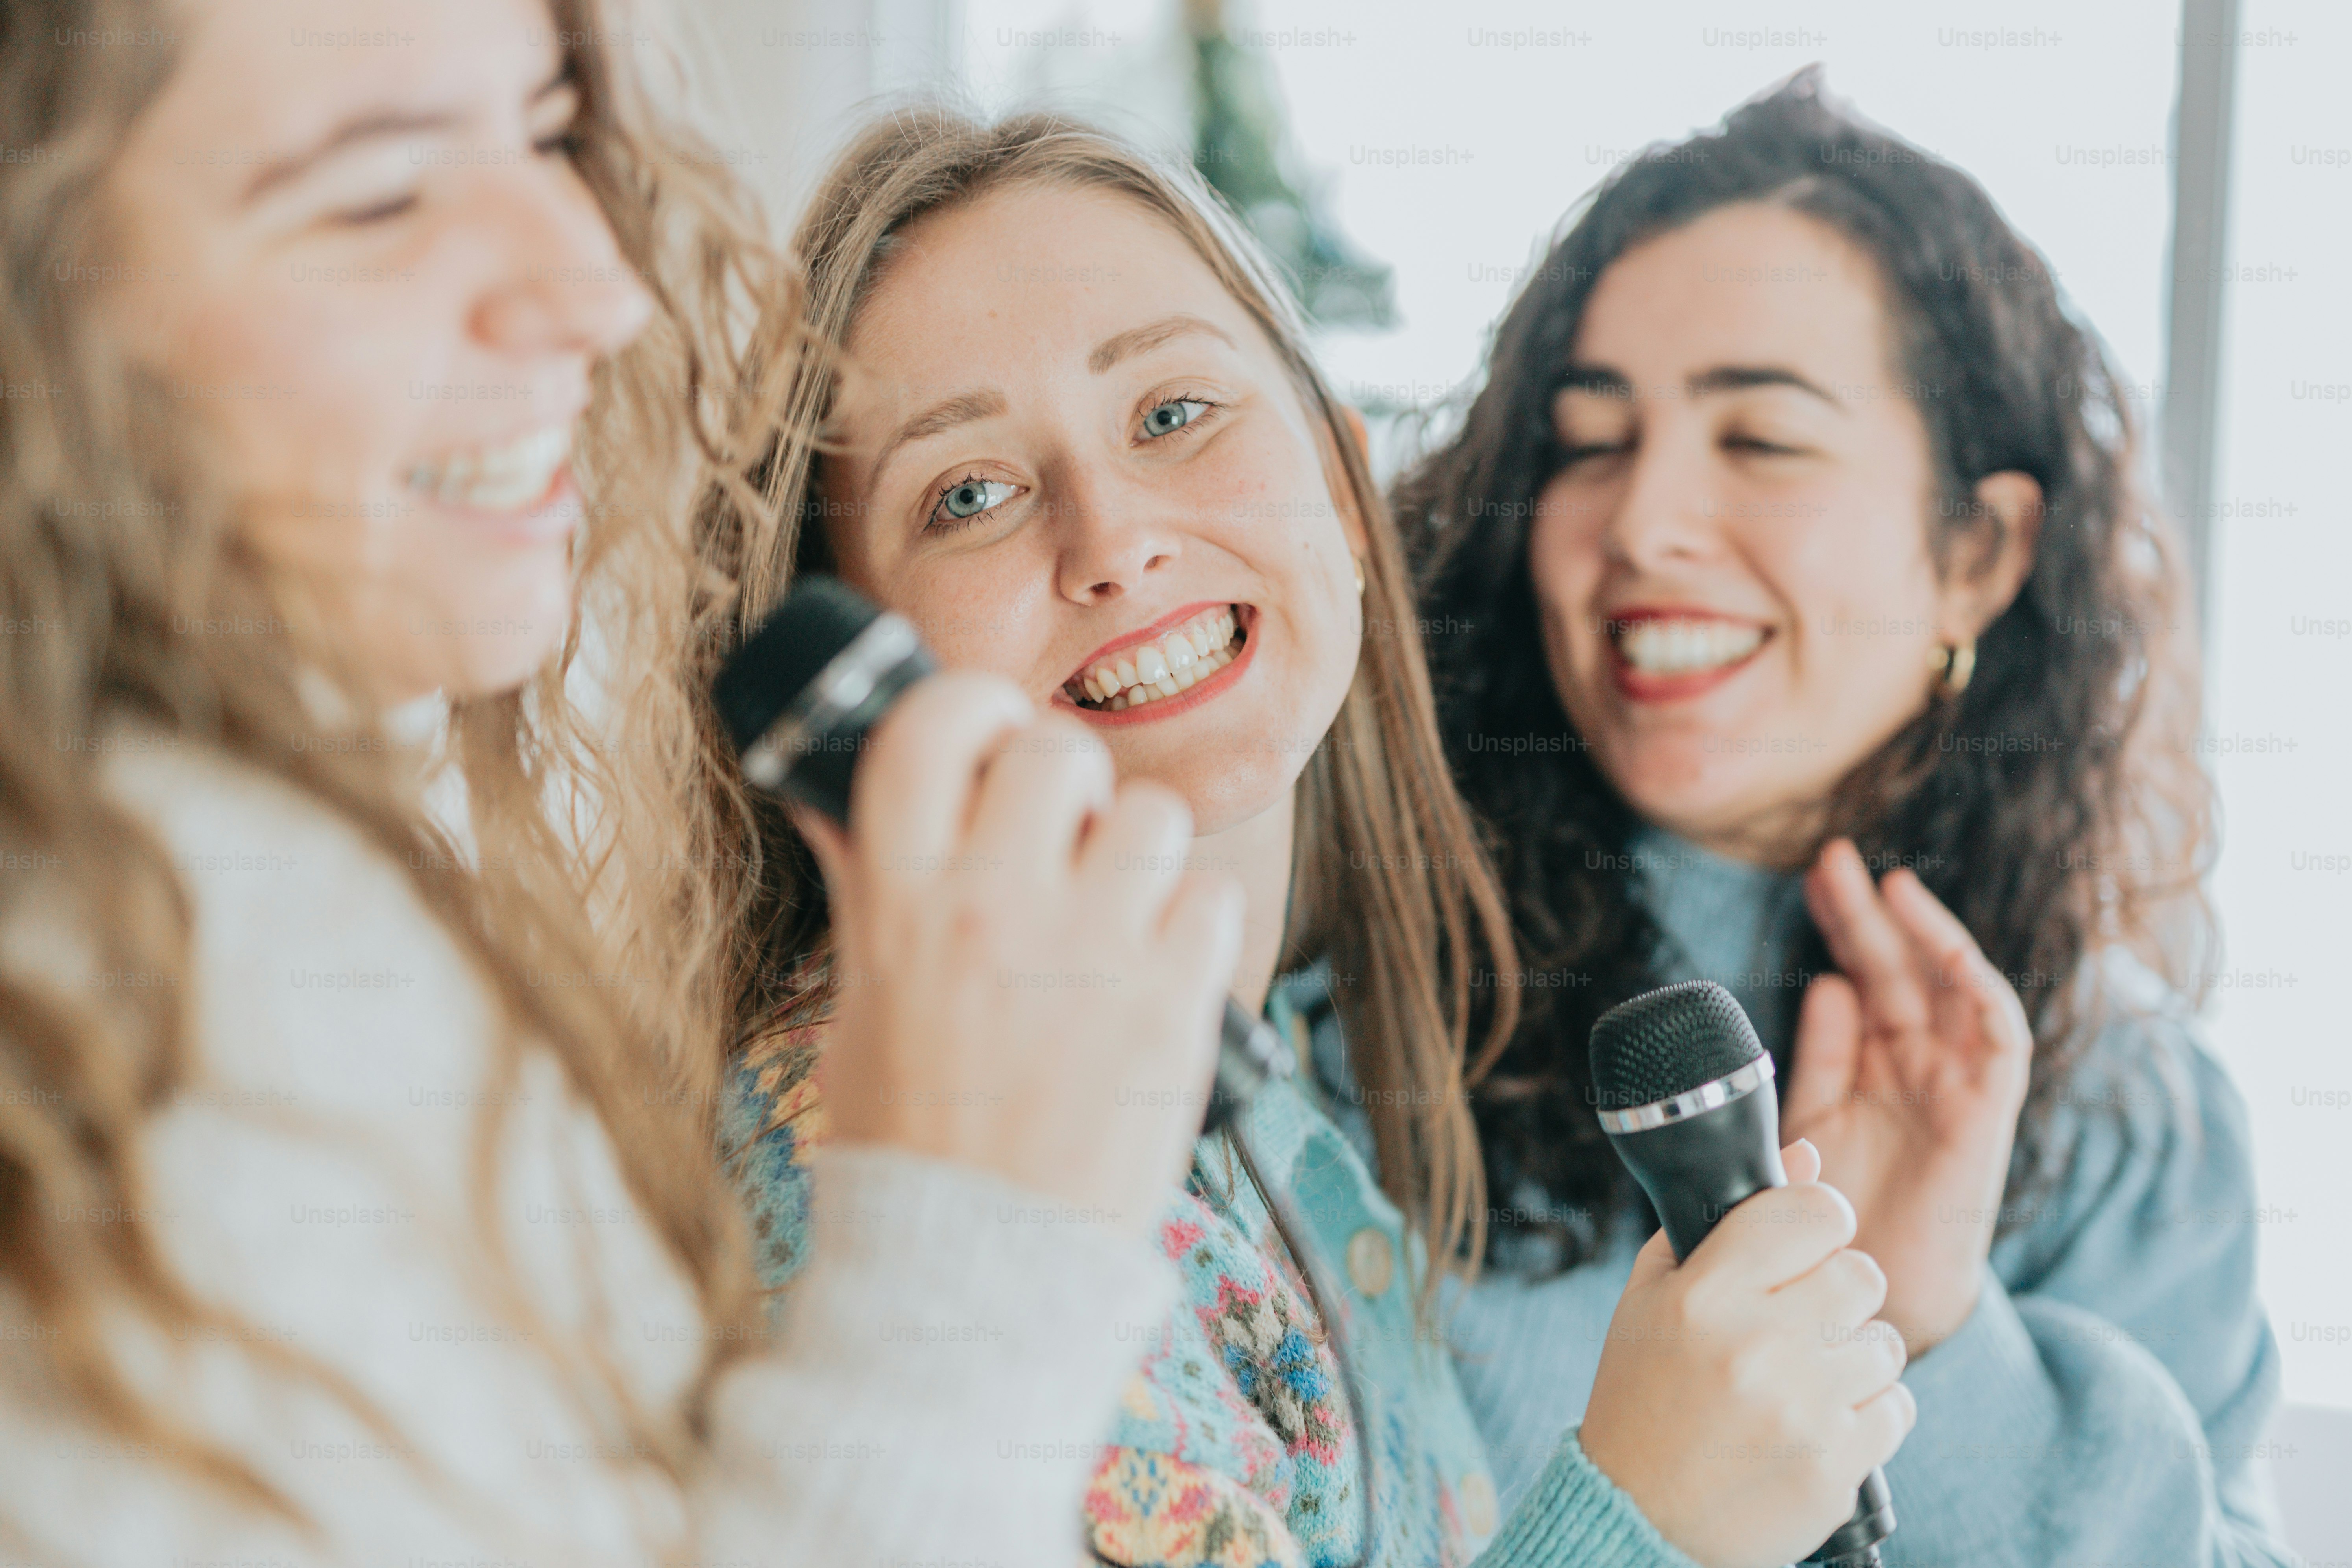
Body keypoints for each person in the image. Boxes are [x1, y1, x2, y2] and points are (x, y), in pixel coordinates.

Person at [0, 3, 1242, 1563]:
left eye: (542, 131)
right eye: (381, 195)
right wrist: (963, 1276)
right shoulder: (130, 1039)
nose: (598, 287)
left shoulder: (331, 912)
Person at [698, 106, 1915, 1568]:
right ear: (859, 648)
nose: (1114, 539)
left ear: (1342, 493)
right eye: (969, 496)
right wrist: (1645, 1520)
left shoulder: (1253, 1081)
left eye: (1170, 415)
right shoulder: (906, 1199)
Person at [1396, 70, 2288, 1566]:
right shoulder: (1358, 1014)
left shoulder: (2137, 1115)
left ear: (1977, 553)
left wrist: (1930, 1338)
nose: (1641, 522)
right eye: (1586, 441)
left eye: (1761, 440)